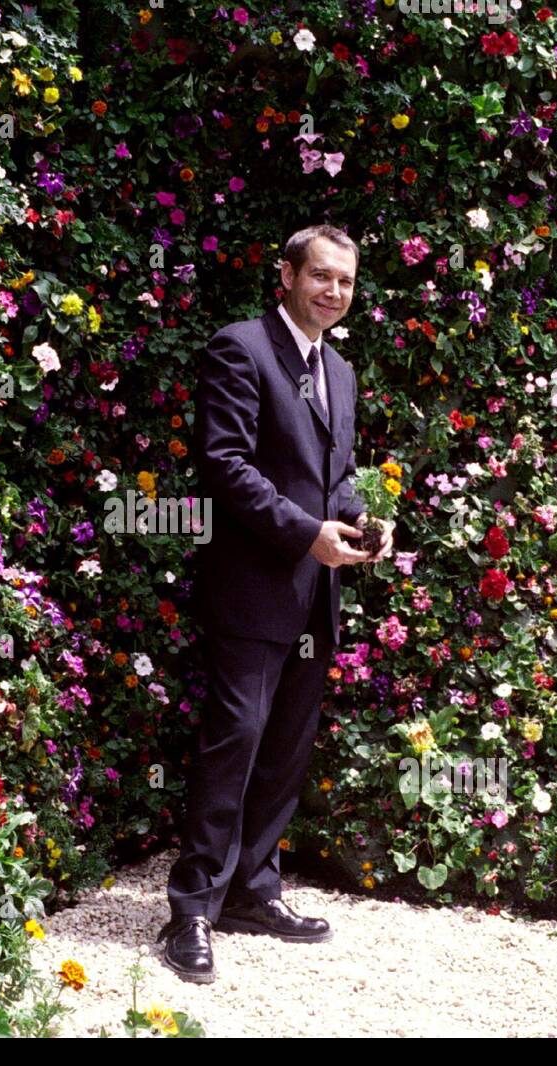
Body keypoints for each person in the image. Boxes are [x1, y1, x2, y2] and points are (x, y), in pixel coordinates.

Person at [158, 224, 393, 983]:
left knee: (286, 753)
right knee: (234, 747)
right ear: (286, 274)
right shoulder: (241, 348)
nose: (333, 291)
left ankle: (253, 893)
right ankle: (191, 910)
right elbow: (224, 463)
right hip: (254, 590)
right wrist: (306, 535)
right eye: (320, 276)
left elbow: (337, 474)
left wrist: (360, 525)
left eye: (346, 282)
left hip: (314, 596)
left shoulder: (343, 371)